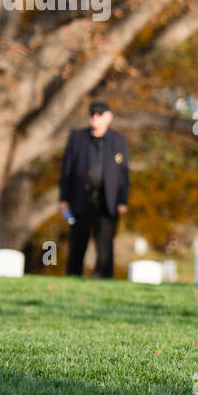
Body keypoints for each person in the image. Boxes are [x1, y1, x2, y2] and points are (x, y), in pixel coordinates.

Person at [59, 101, 130, 278]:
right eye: (92, 115)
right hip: (80, 199)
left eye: (99, 115)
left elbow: (123, 174)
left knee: (105, 244)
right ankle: (73, 276)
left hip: (107, 201)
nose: (95, 118)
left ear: (108, 117)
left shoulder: (118, 140)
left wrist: (122, 200)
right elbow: (66, 170)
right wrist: (63, 199)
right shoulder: (77, 138)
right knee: (77, 241)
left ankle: (104, 278)